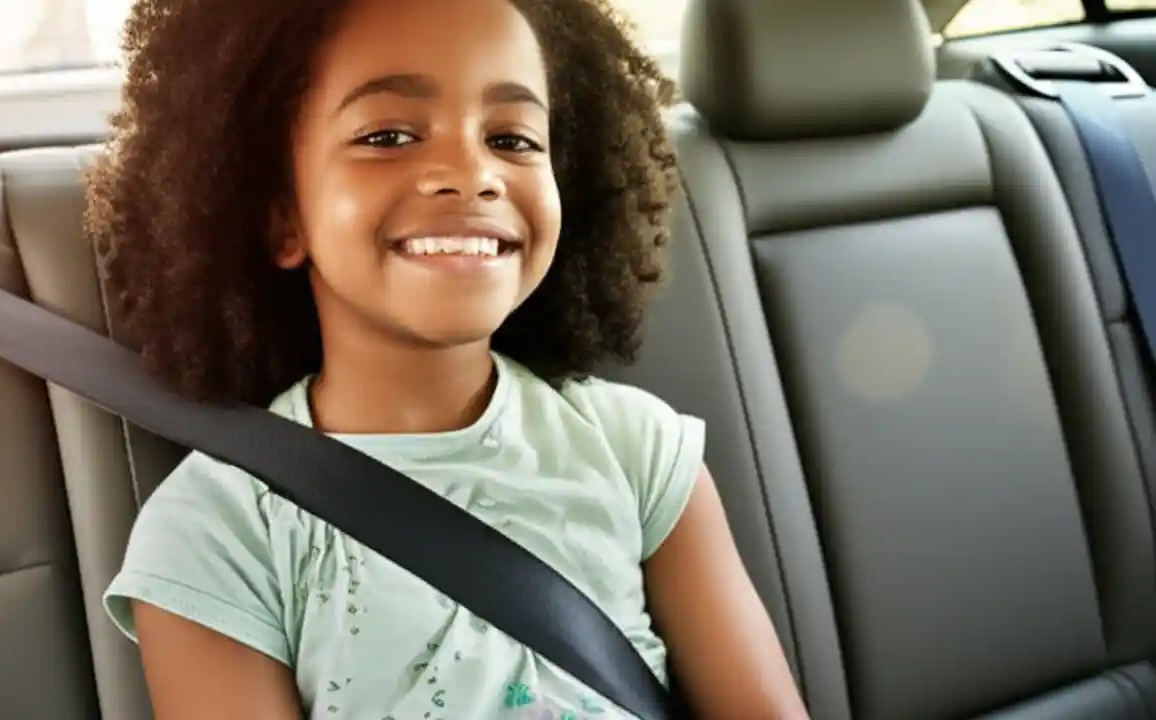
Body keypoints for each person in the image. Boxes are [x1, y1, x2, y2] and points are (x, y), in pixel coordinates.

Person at [87, 0, 808, 717]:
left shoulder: (634, 450)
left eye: (513, 139)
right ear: (284, 218)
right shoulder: (218, 529)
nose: (471, 173)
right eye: (389, 136)